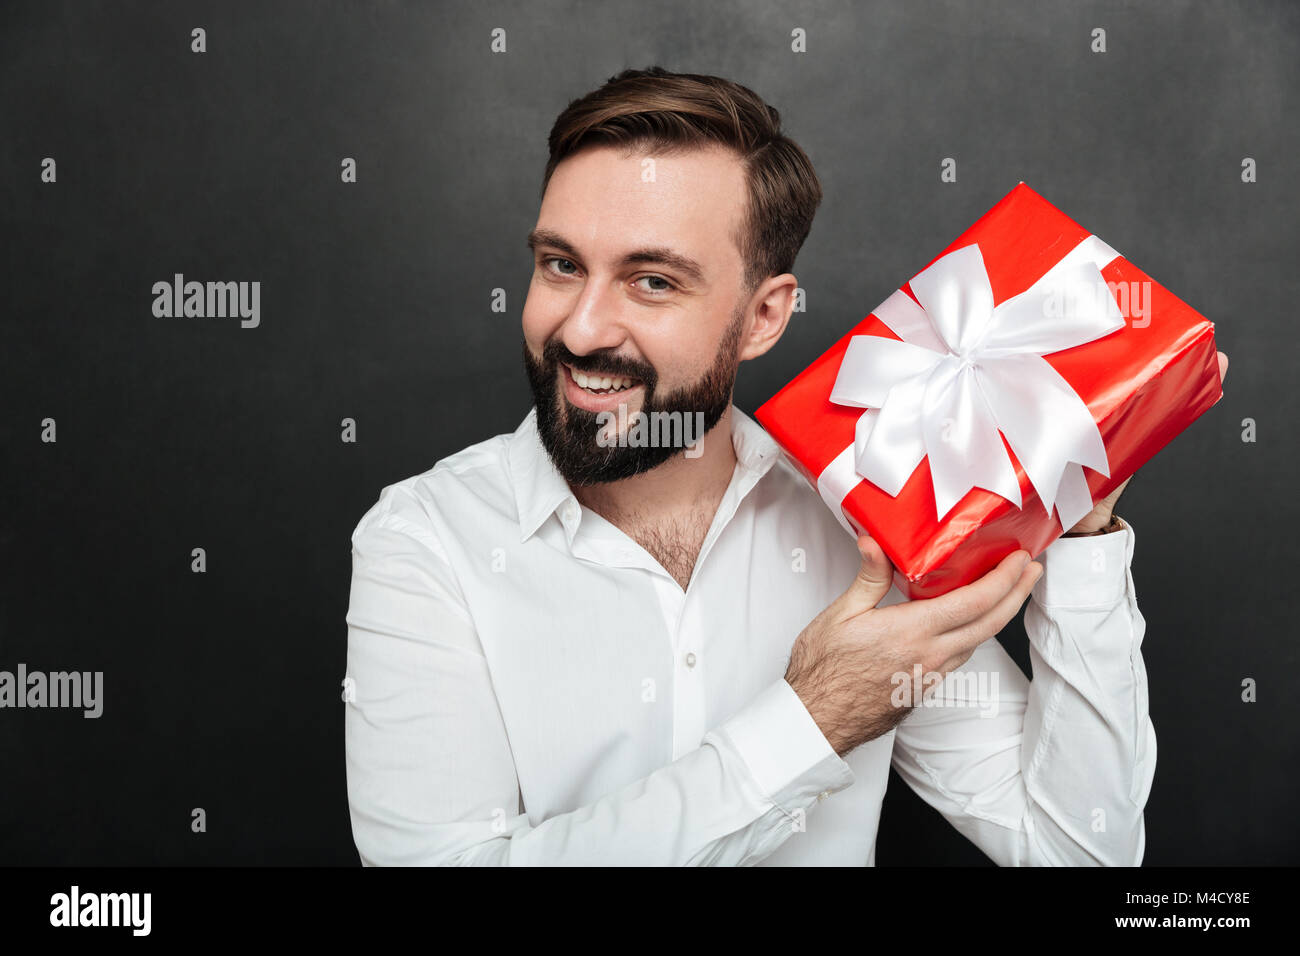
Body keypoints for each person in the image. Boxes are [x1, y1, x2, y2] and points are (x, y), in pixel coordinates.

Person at [342, 66, 1229, 866]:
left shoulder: (863, 529)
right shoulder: (427, 542)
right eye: (561, 265)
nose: (580, 329)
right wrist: (816, 718)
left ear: (764, 318)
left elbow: (1078, 853)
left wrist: (1085, 536)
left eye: (653, 281)